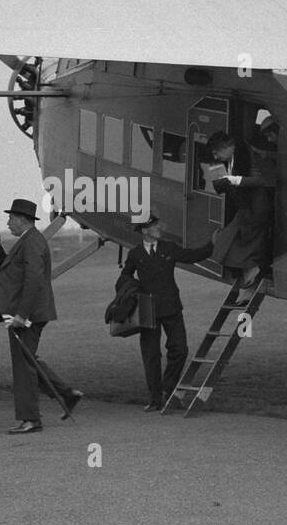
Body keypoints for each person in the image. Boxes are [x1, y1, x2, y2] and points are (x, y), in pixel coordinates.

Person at [0, 198, 82, 433]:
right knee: (28, 360)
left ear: (22, 220)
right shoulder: (28, 240)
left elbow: (33, 280)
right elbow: (13, 271)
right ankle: (66, 393)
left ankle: (31, 419)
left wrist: (22, 315)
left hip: (27, 315)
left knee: (23, 366)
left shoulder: (31, 242)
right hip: (27, 313)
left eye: (11, 218)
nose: (8, 223)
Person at [117, 214, 216, 411]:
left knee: (180, 349)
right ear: (145, 231)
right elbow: (124, 276)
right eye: (154, 226)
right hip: (148, 312)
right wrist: (134, 290)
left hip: (171, 307)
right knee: (151, 355)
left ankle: (167, 388)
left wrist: (212, 244)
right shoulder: (135, 254)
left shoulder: (169, 247)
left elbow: (192, 256)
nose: (159, 228)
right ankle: (155, 400)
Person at [206, 130, 275, 302]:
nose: (215, 156)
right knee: (225, 240)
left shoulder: (247, 154)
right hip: (245, 209)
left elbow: (260, 180)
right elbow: (221, 185)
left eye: (217, 152)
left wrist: (234, 180)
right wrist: (218, 175)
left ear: (227, 146)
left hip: (256, 208)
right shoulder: (227, 159)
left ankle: (253, 272)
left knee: (236, 242)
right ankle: (249, 275)